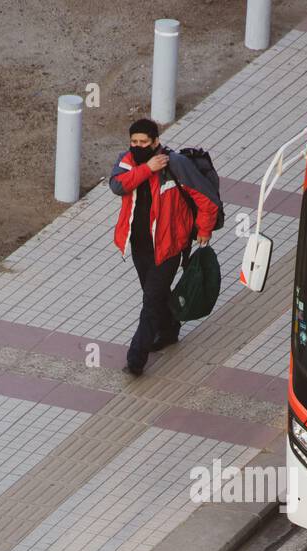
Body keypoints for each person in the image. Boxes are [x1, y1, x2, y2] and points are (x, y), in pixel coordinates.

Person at [109, 118, 218, 376]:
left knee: (149, 302)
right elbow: (117, 185)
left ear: (155, 142)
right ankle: (169, 330)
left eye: (143, 142)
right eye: (134, 142)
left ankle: (136, 359)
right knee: (155, 294)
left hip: (169, 246)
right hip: (140, 245)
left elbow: (206, 199)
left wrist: (204, 230)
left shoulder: (175, 165)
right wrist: (147, 168)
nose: (138, 146)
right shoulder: (128, 161)